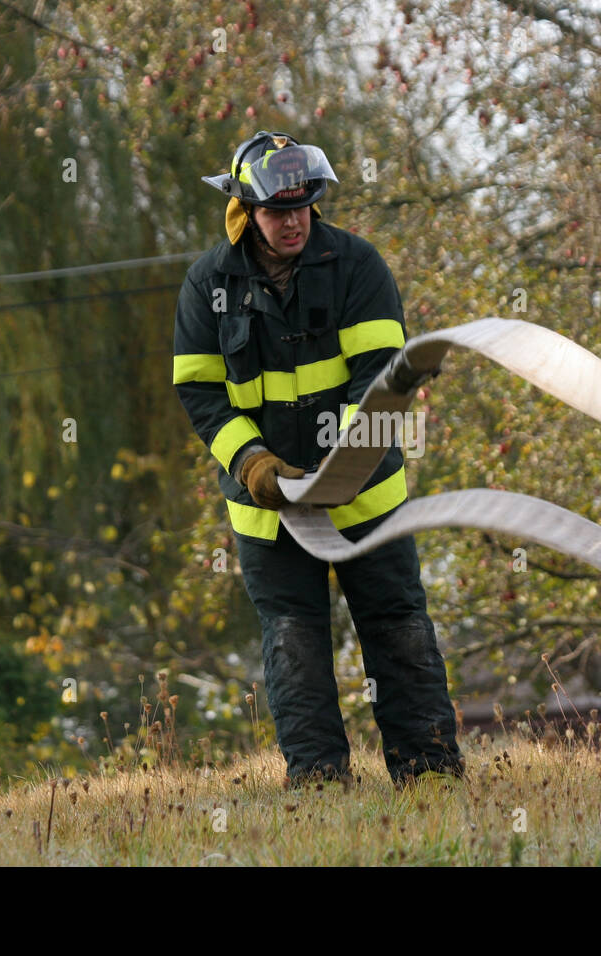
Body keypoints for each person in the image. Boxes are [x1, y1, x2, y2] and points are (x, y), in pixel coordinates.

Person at [172, 131, 465, 789]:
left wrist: (346, 462)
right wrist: (252, 465)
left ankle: (432, 779)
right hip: (270, 513)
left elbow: (377, 376)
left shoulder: (356, 267)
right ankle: (321, 787)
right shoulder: (208, 286)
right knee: (295, 645)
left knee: (399, 632)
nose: (294, 220)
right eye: (278, 211)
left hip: (365, 499)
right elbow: (200, 393)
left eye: (304, 206)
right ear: (245, 211)